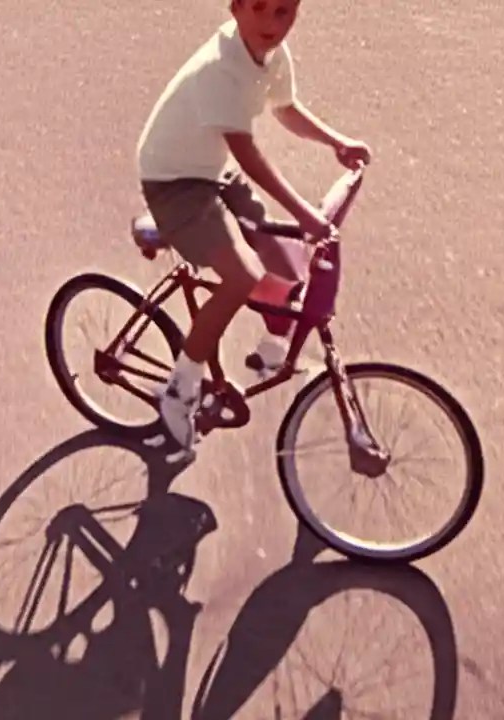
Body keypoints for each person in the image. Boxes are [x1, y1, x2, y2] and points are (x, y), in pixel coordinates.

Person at [135, 0, 371, 450]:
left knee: (283, 261)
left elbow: (286, 108)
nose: (271, 22)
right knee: (242, 276)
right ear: (236, 7)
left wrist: (337, 143)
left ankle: (269, 354)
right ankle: (179, 389)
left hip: (210, 170)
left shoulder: (271, 55)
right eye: (259, 7)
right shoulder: (220, 71)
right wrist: (307, 214)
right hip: (174, 182)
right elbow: (249, 158)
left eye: (284, 11)